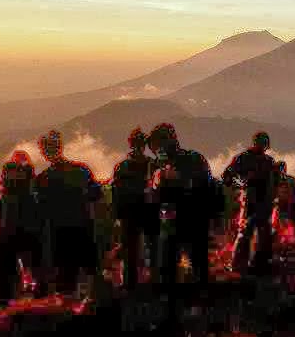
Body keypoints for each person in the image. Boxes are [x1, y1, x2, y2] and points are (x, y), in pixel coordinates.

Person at [33, 131, 102, 297]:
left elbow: (40, 209)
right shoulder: (81, 170)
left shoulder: (43, 178)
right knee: (86, 273)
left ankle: (71, 312)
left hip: (62, 231)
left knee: (67, 277)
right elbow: (96, 194)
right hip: (80, 227)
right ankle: (91, 309)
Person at [148, 123, 214, 290]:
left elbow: (206, 187)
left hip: (187, 218)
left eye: (156, 146)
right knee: (175, 263)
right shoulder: (161, 165)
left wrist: (178, 179)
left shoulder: (192, 160)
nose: (156, 151)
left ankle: (186, 300)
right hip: (177, 218)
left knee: (185, 262)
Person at [223, 131, 279, 275]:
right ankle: (238, 265)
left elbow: (275, 182)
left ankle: (257, 265)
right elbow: (227, 176)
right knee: (246, 232)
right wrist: (242, 184)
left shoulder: (268, 161)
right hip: (250, 201)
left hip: (264, 202)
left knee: (262, 234)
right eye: (262, 143)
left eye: (264, 144)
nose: (263, 147)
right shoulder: (244, 158)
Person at [111, 127, 159, 290]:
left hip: (131, 212)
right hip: (148, 211)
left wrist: (117, 214)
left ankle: (130, 283)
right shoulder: (152, 165)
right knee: (151, 247)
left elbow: (116, 192)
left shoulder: (122, 167)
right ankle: (154, 280)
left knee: (131, 248)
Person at [0, 151, 41, 301]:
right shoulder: (29, 186)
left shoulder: (7, 193)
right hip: (25, 229)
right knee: (32, 264)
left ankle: (4, 296)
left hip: (12, 230)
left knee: (7, 267)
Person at [273, 161, 295, 230]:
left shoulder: (275, 180)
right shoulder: (291, 179)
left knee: (287, 228)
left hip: (285, 208)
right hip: (288, 207)